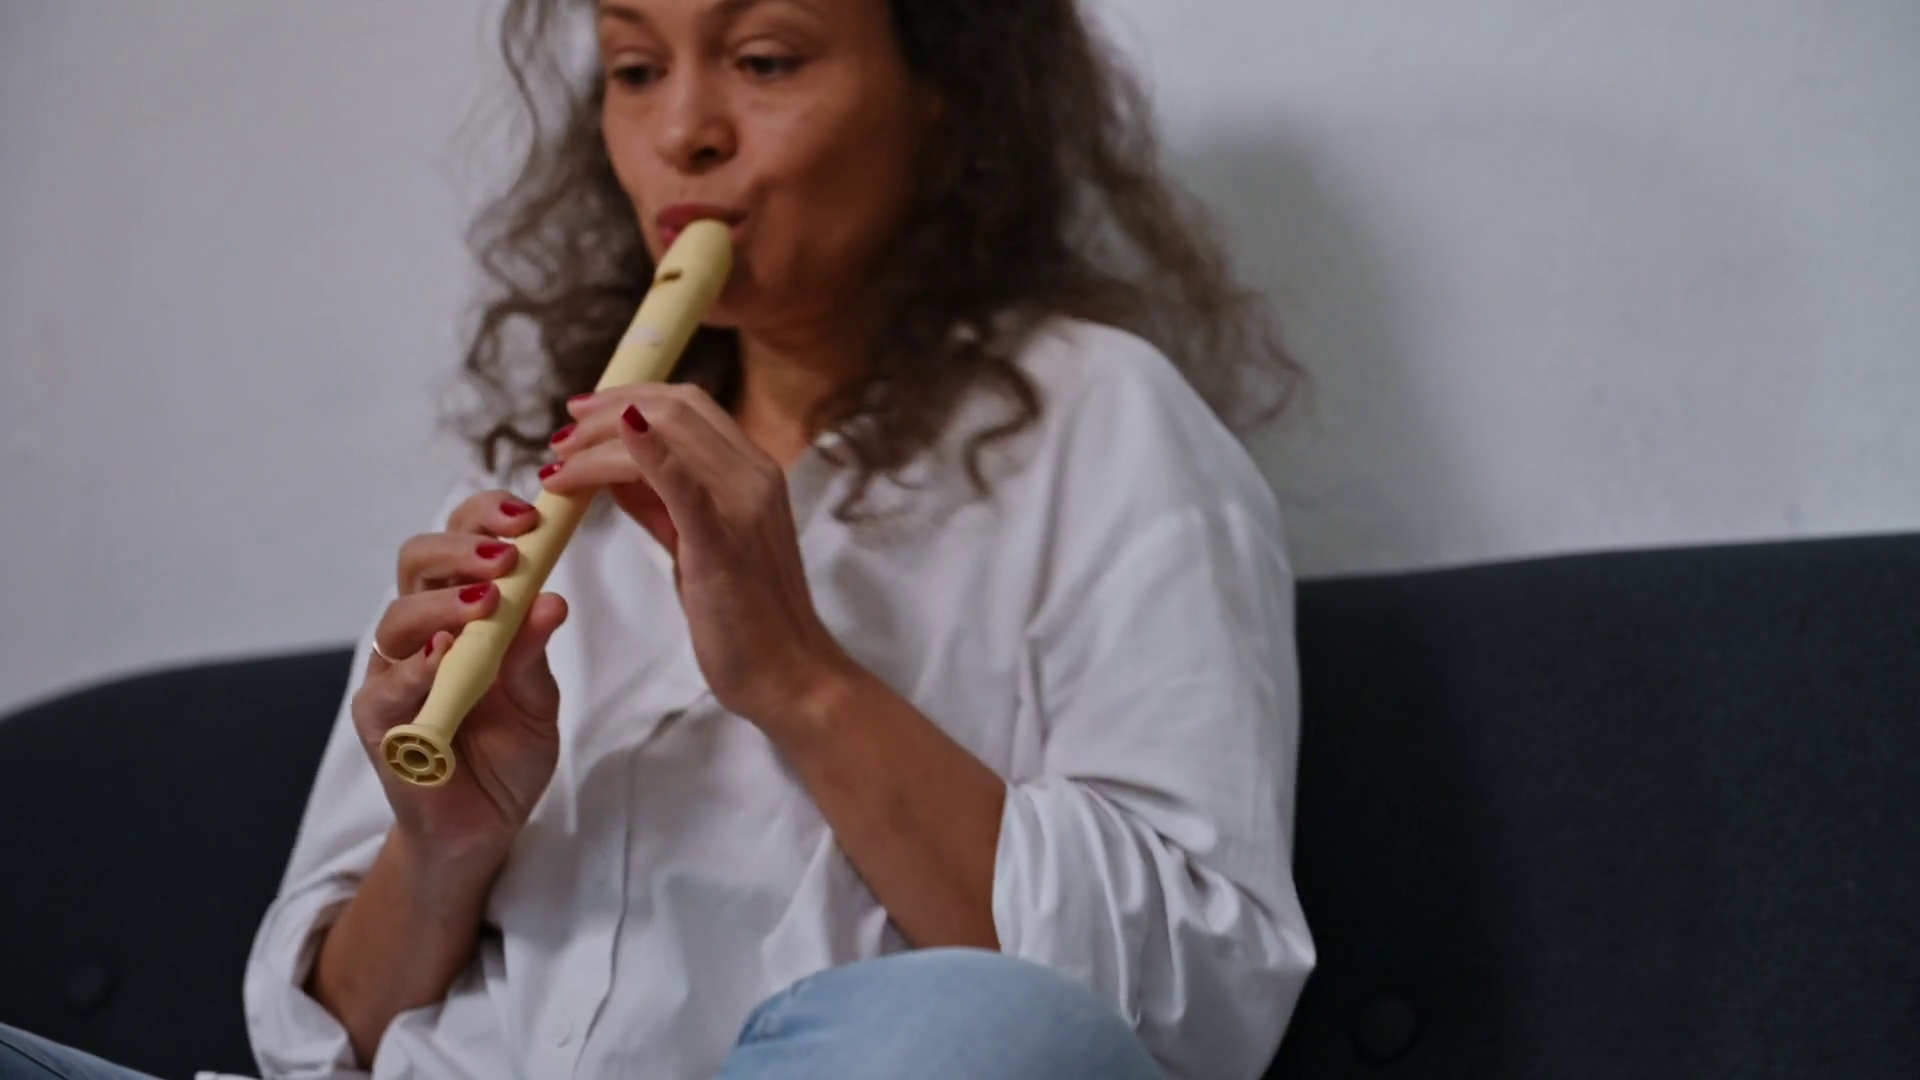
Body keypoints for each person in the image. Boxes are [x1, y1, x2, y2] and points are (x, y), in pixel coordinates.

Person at [0, 1, 1314, 1078]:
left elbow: (1193, 1001)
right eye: (633, 71)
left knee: (993, 1037)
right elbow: (317, 1044)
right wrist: (442, 843)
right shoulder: (545, 490)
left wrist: (796, 676)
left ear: (946, 95)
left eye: (764, 61)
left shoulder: (1105, 419)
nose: (682, 132)